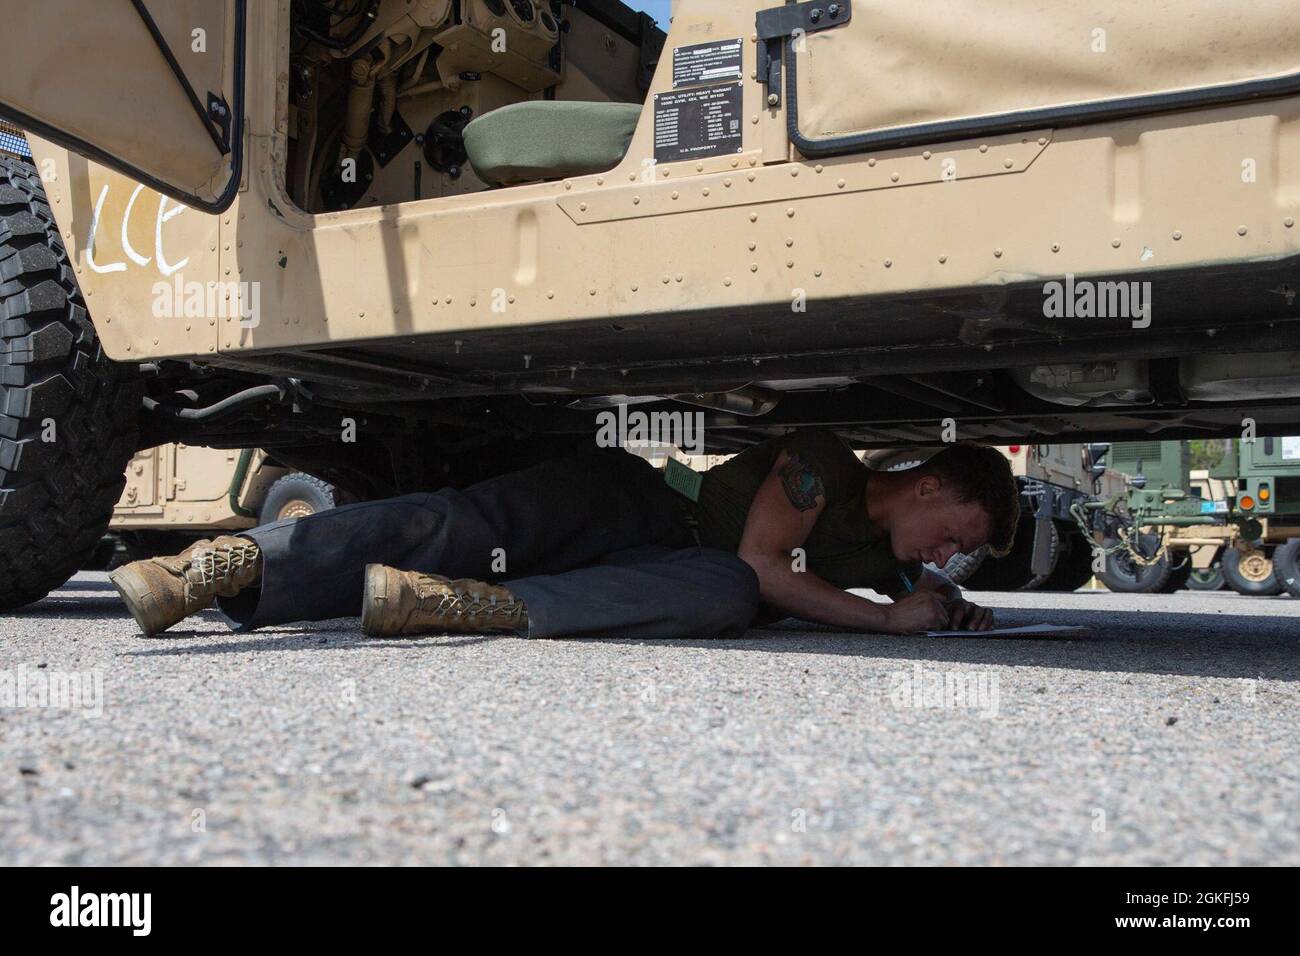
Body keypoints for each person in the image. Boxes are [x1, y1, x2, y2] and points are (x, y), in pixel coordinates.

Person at [109, 429, 1019, 640]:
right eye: (953, 534)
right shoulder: (827, 462)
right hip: (633, 504)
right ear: (927, 482)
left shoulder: (895, 560)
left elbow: (919, 595)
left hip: (667, 567)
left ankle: (465, 609)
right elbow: (764, 557)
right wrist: (891, 621)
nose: (947, 554)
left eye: (956, 556)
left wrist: (949, 604)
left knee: (725, 595)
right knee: (468, 522)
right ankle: (227, 565)